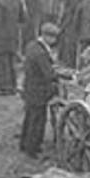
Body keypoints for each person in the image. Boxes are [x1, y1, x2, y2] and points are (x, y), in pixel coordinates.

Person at [20, 23, 60, 158]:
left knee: (29, 117)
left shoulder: (32, 46)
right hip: (39, 90)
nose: (55, 42)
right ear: (47, 37)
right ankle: (33, 149)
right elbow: (48, 74)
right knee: (38, 120)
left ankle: (24, 144)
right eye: (54, 38)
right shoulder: (41, 53)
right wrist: (62, 75)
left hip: (30, 87)